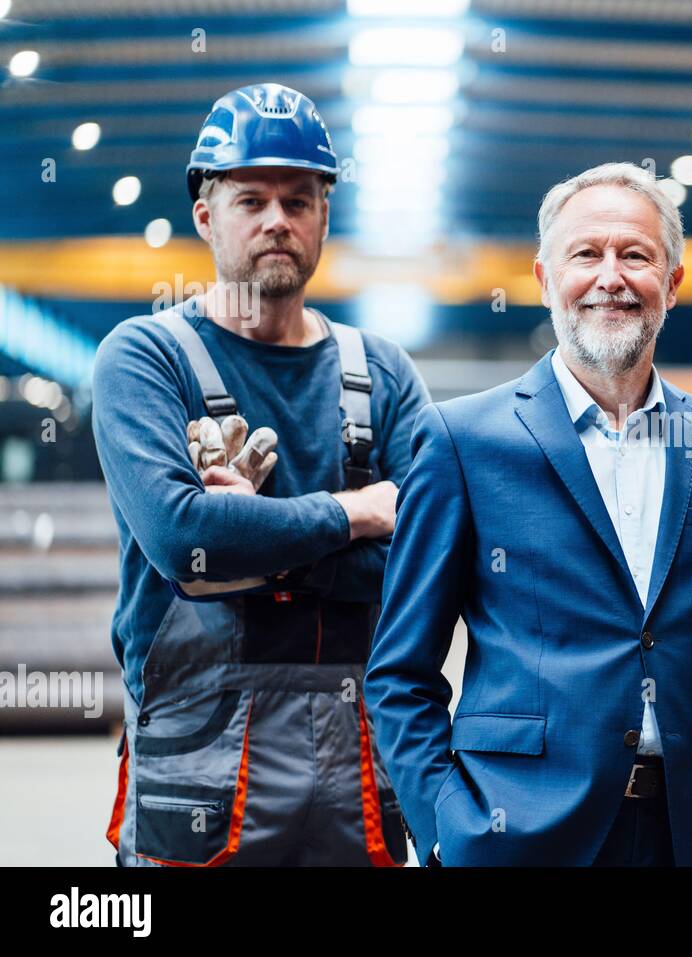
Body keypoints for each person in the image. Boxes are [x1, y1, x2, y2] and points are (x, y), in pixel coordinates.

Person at [366, 162, 692, 866]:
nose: (610, 277)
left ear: (673, 284)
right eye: (586, 253)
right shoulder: (464, 441)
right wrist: (445, 830)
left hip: (688, 835)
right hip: (517, 833)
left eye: (636, 255)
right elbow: (400, 673)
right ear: (544, 278)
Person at [93, 83, 429, 866]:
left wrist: (252, 542)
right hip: (196, 766)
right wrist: (358, 514)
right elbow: (183, 539)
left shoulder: (382, 373)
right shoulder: (146, 358)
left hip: (358, 762)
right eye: (252, 200)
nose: (278, 219)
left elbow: (429, 554)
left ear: (323, 217)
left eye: (298, 200)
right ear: (206, 216)